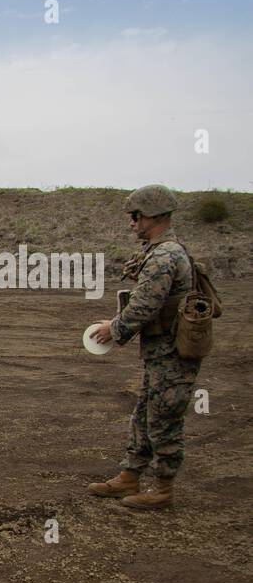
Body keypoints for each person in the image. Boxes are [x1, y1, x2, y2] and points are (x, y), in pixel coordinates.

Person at [88, 185, 199, 510]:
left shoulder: (165, 255)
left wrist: (115, 329)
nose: (132, 223)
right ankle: (130, 476)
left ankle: (162, 489)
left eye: (135, 216)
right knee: (145, 414)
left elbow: (146, 305)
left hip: (173, 353)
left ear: (153, 215)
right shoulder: (161, 251)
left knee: (165, 418)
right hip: (161, 351)